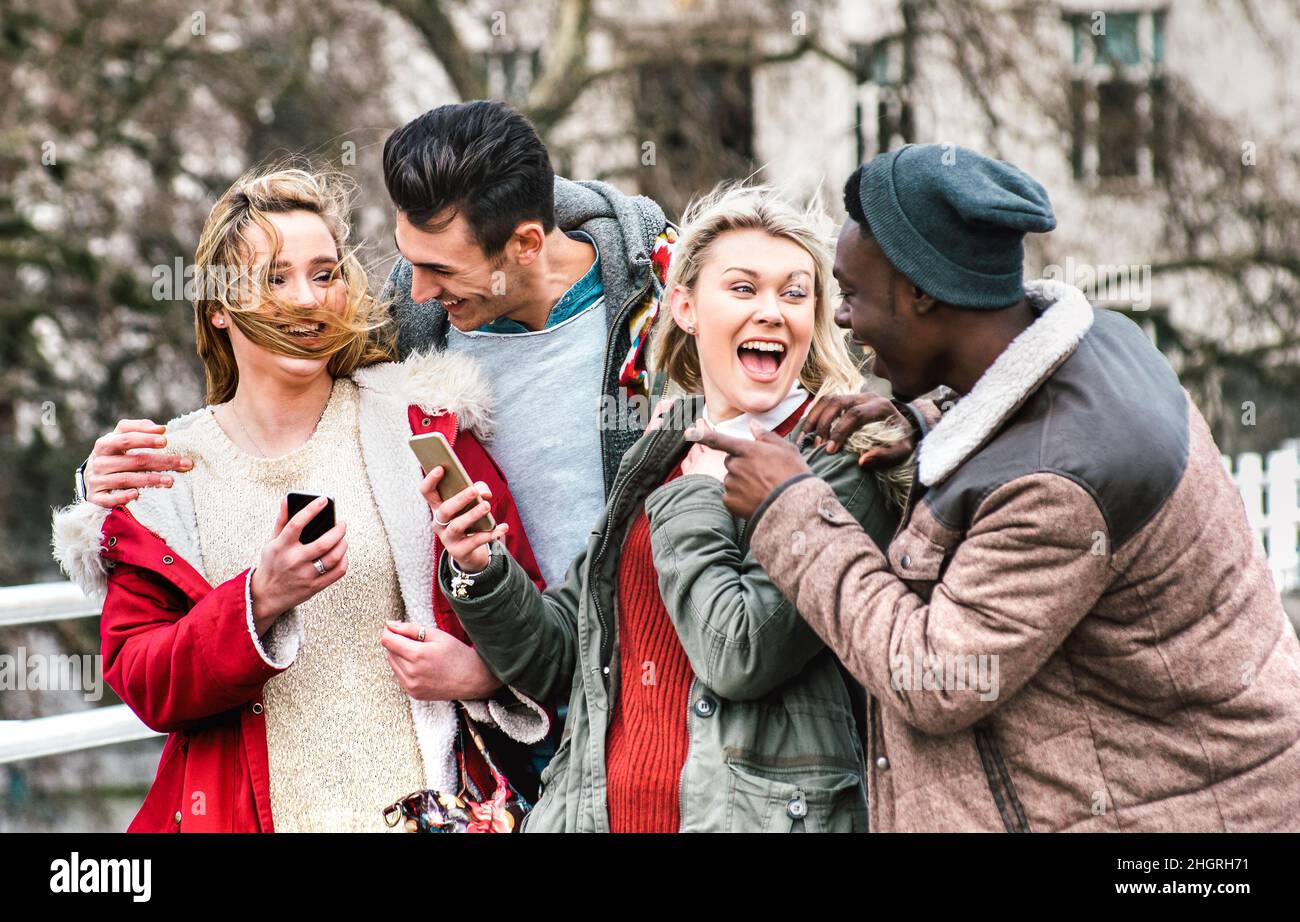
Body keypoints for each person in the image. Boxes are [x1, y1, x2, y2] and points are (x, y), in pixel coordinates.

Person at [690, 143, 1300, 832]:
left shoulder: (1064, 485)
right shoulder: (1103, 344)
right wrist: (925, 424)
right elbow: (1019, 412)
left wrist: (791, 509)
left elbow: (937, 677)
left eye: (853, 293)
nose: (840, 320)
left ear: (922, 291)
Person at [51, 167, 548, 832]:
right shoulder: (161, 473)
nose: (308, 299)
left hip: (427, 812)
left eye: (325, 272)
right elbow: (144, 680)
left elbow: (531, 626)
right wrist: (258, 599)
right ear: (220, 306)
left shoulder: (422, 425)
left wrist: (481, 674)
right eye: (274, 278)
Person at [423, 185, 911, 832]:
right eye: (743, 289)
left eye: (794, 293)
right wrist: (481, 568)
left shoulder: (839, 464)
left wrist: (695, 497)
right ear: (683, 306)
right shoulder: (663, 444)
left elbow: (740, 654)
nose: (771, 311)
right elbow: (563, 654)